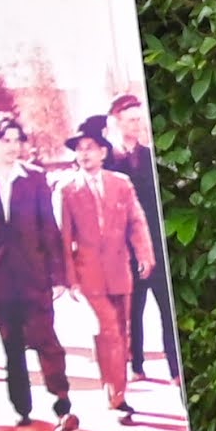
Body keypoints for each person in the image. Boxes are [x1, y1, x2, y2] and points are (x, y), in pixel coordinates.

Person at [0, 116, 74, 431]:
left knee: (46, 339)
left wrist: (58, 275)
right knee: (11, 346)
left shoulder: (34, 178)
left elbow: (49, 228)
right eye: (5, 140)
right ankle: (22, 408)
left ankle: (62, 402)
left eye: (16, 140)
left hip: (34, 275)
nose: (12, 147)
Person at [58, 118, 148, 413]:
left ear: (103, 153)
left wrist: (144, 254)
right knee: (107, 328)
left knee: (120, 332)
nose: (84, 154)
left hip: (119, 269)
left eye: (90, 148)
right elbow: (63, 236)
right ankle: (117, 398)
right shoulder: (67, 189)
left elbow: (136, 221)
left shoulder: (121, 184)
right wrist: (68, 277)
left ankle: (114, 388)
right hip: (89, 273)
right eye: (79, 149)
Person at [107, 92, 176, 380]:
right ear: (117, 122)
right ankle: (136, 365)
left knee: (166, 309)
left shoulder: (150, 157)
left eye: (139, 119)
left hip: (156, 245)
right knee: (133, 309)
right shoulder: (108, 160)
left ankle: (175, 370)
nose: (137, 125)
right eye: (131, 120)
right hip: (125, 247)